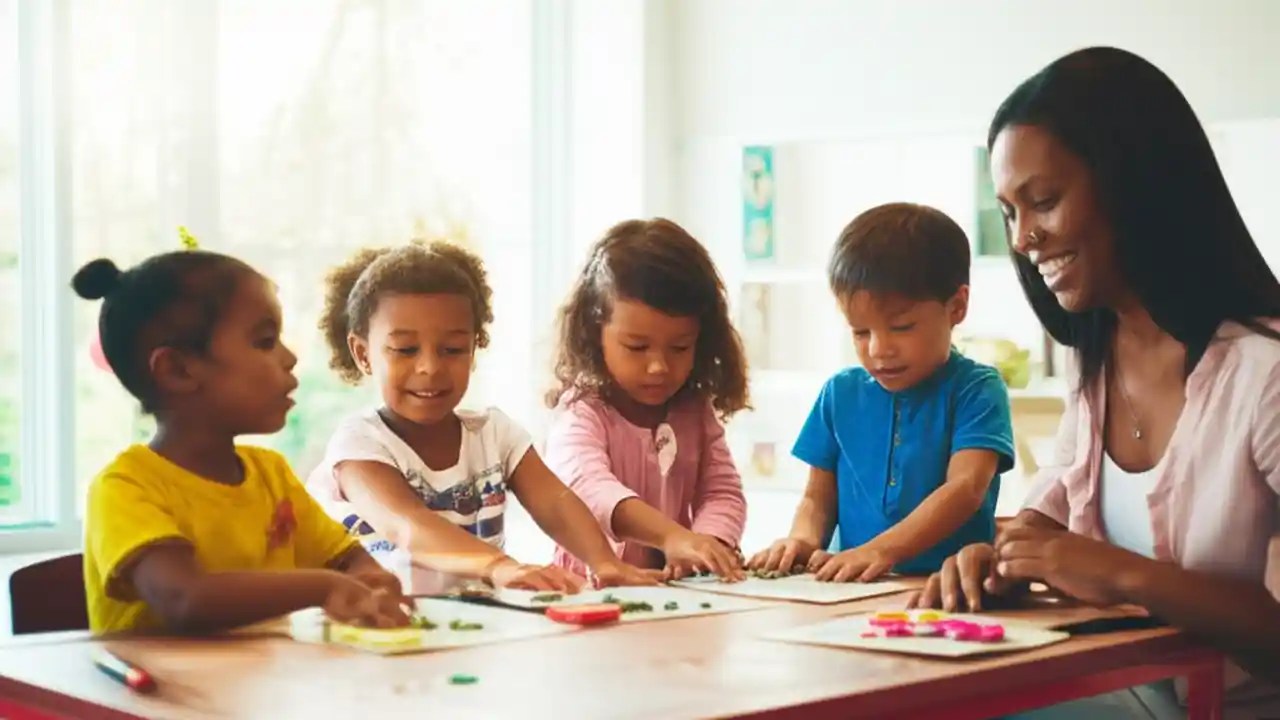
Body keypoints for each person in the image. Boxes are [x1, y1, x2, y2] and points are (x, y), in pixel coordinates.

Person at [910, 46, 1280, 717]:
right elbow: (1043, 527)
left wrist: (1117, 572)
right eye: (1010, 212)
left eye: (1043, 201)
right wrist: (992, 563)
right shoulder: (1095, 364)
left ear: (1134, 183)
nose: (1024, 238)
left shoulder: (1265, 375)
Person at [77, 239, 409, 634]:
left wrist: (371, 579)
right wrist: (325, 587)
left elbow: (344, 558)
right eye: (265, 341)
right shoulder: (125, 487)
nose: (289, 357)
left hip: (257, 688)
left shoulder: (271, 474)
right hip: (156, 695)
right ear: (178, 370)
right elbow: (185, 599)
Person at [308, 240, 657, 593]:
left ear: (474, 348)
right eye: (405, 350)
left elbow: (556, 503)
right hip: (388, 631)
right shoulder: (359, 442)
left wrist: (605, 562)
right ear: (363, 353)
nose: (430, 367)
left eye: (453, 350)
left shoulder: (494, 432)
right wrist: (498, 565)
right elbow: (406, 525)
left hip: (480, 627)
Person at [749, 203, 1015, 581]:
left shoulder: (977, 389)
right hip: (852, 589)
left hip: (949, 589)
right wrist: (802, 541)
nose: (878, 349)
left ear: (956, 307)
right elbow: (817, 498)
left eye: (902, 327)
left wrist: (881, 550)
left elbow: (966, 487)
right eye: (860, 332)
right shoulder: (839, 394)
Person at [543, 218, 750, 580]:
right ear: (595, 333)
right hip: (590, 597)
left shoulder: (694, 412)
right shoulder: (581, 412)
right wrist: (672, 536)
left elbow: (723, 492)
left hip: (676, 594)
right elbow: (588, 490)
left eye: (680, 347)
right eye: (636, 347)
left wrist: (705, 545)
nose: (658, 366)